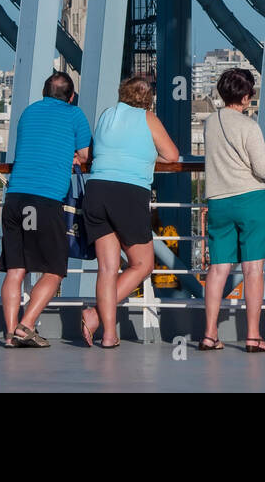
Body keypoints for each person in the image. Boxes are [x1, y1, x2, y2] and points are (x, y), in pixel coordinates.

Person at [79, 76, 179, 348]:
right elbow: (172, 155)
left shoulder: (107, 115)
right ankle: (95, 315)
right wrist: (148, 156)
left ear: (122, 92)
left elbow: (98, 150)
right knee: (143, 264)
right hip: (128, 193)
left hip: (97, 189)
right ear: (148, 99)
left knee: (108, 268)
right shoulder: (148, 119)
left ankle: (109, 334)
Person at [0, 71, 91, 348]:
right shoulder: (75, 115)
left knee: (16, 270)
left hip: (15, 198)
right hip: (45, 199)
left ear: (43, 92)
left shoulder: (28, 113)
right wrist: (72, 155)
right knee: (54, 270)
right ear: (71, 97)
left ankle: (10, 333)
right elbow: (86, 156)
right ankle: (26, 326)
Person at [200, 69, 265, 352]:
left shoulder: (211, 123)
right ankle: (253, 336)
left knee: (218, 268)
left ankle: (209, 334)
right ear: (245, 97)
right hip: (253, 201)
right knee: (253, 269)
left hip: (219, 201)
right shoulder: (249, 126)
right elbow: (263, 170)